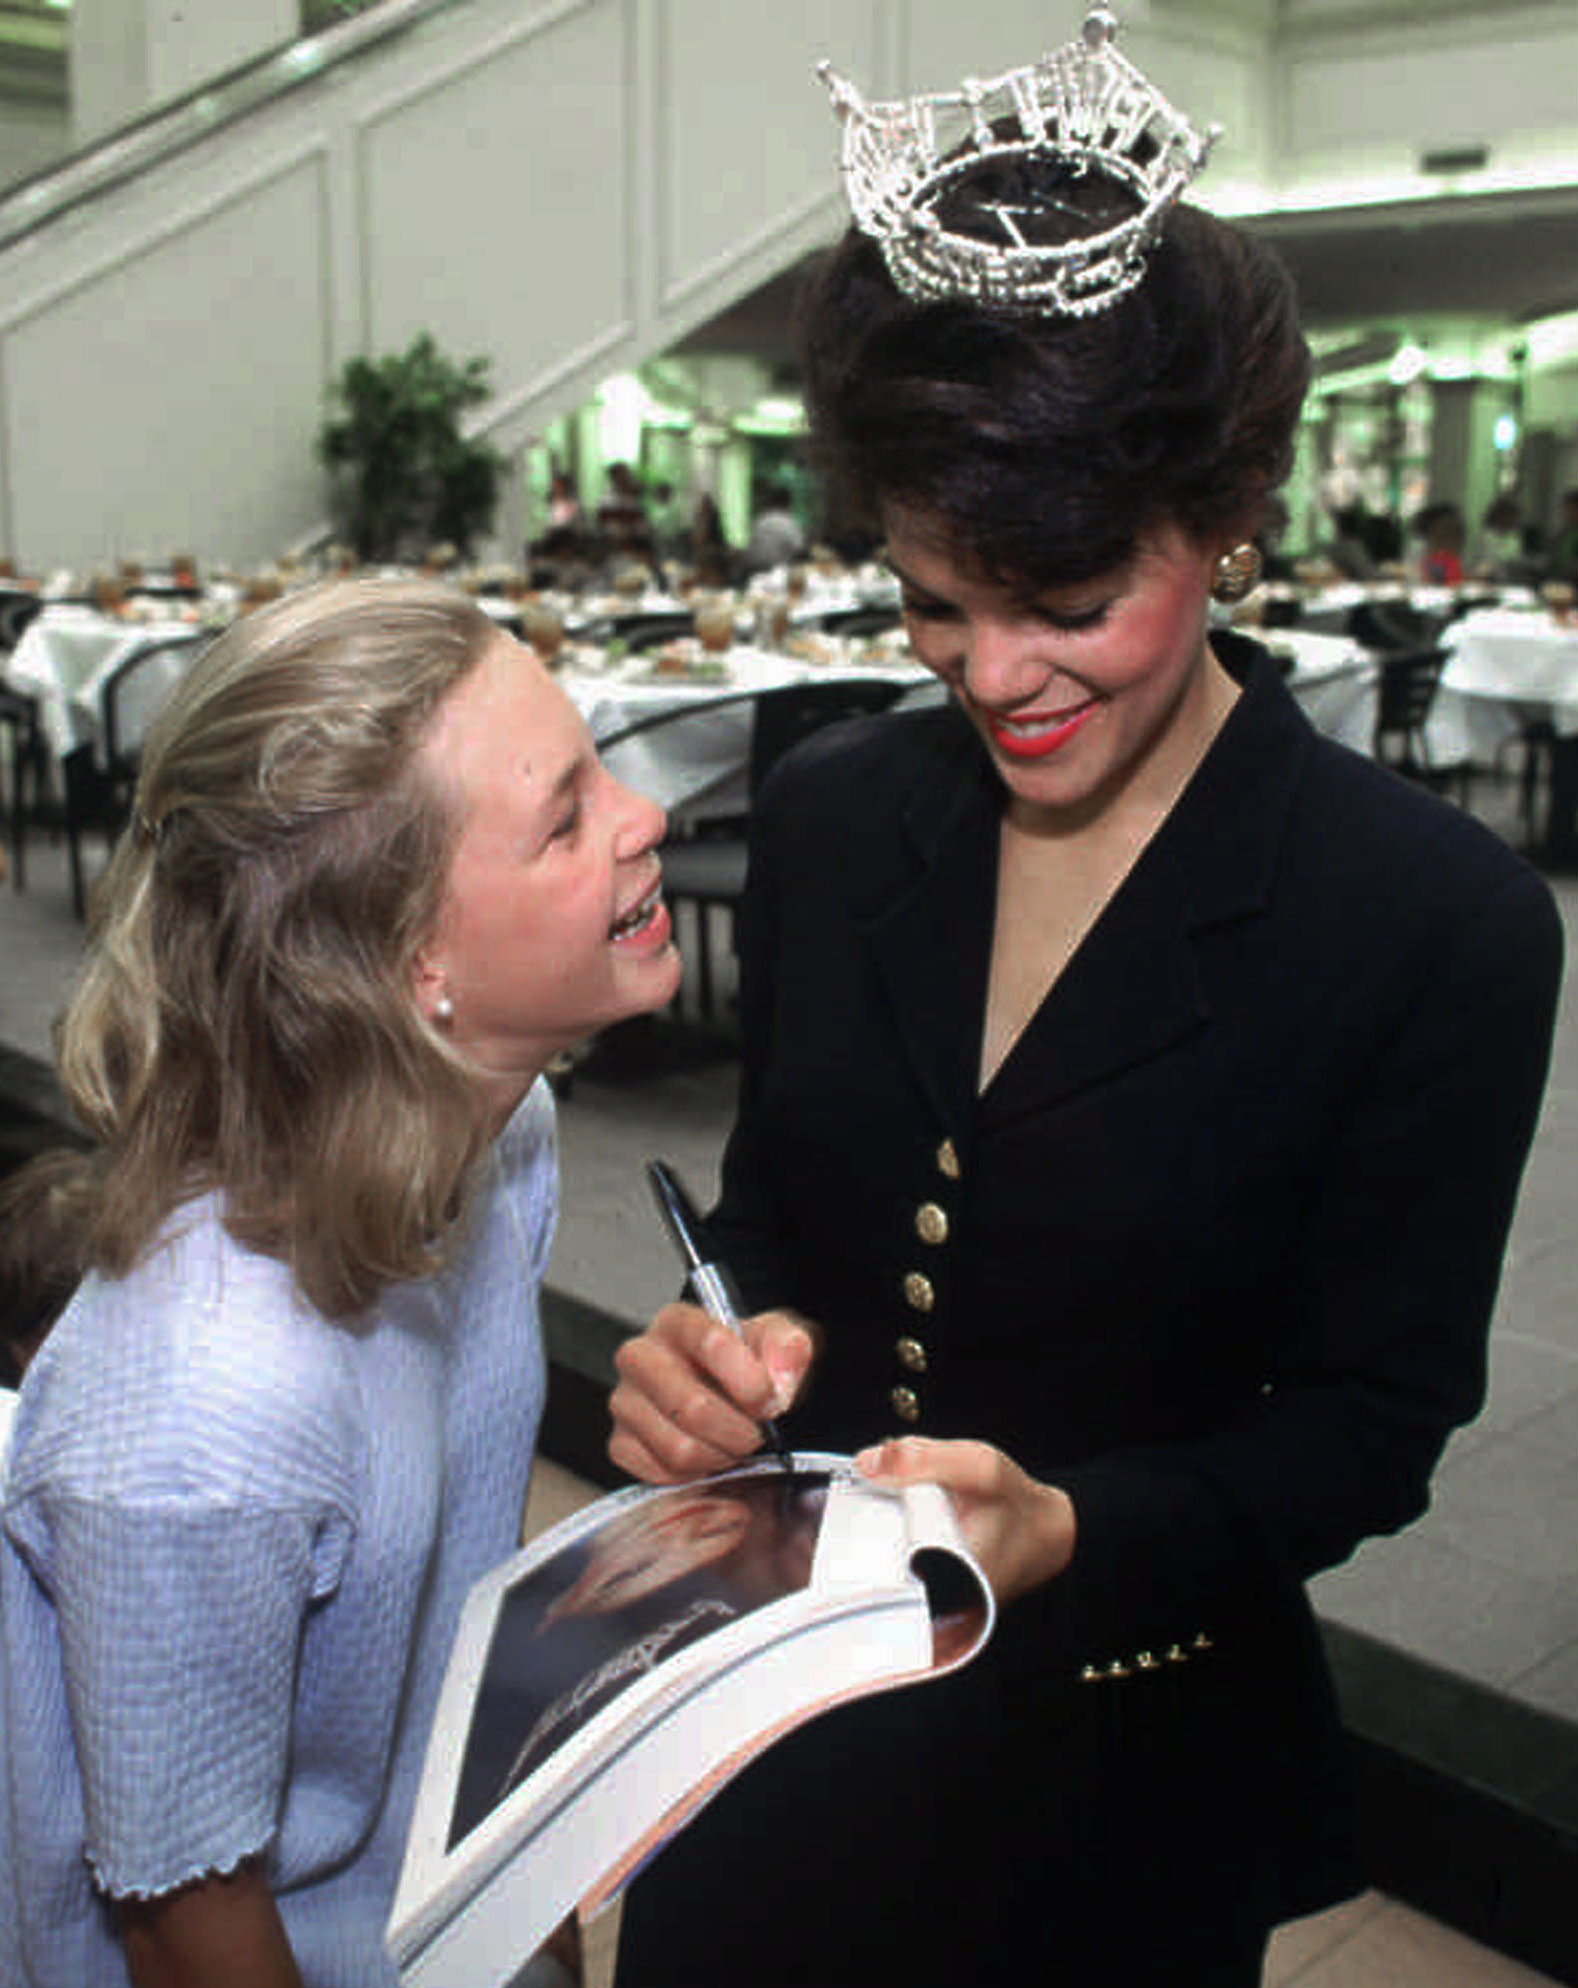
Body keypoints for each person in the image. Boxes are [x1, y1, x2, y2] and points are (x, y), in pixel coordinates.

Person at [605, 15, 1562, 1988]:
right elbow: (783, 1208)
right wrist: (721, 1348)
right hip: (786, 1716)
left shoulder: (1430, 920)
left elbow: (1372, 1422)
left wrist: (1073, 1527)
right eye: (930, 604)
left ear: (1225, 520)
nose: (992, 676)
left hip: (1123, 1758)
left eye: (1064, 601)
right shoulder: (838, 814)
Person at [0, 577, 682, 1987]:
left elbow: (463, 1586)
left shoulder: (501, 1140)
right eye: (566, 819)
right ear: (409, 962)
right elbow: (187, 1924)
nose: (649, 815)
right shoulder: (204, 1403)